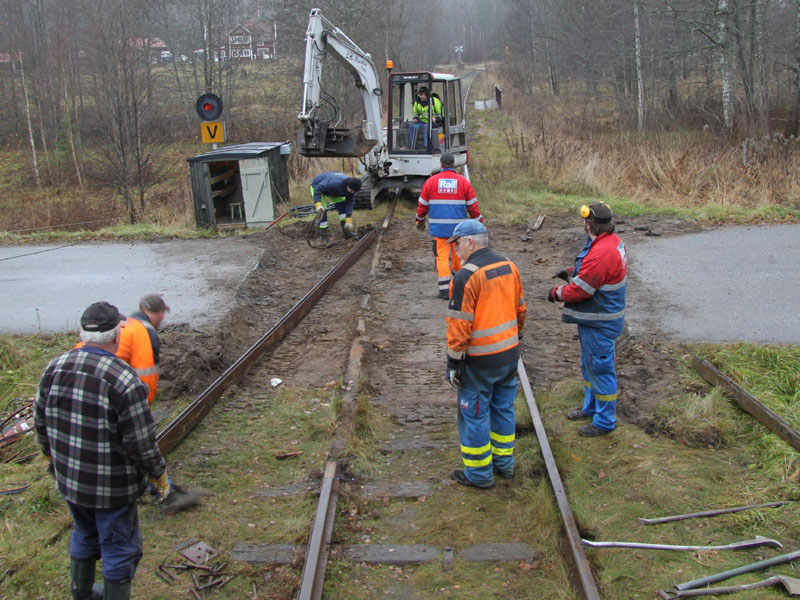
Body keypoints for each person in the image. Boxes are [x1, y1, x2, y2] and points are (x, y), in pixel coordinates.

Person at [35, 301, 170, 600]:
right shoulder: (124, 380)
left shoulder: (54, 367)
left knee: (84, 532)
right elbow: (141, 442)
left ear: (82, 334)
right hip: (113, 488)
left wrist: (51, 457)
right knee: (119, 545)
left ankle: (81, 592)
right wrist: (158, 473)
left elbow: (40, 421)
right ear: (117, 335)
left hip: (70, 481)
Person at [445, 219, 526, 489]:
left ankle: (479, 475)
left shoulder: (466, 276)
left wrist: (453, 363)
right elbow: (521, 309)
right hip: (508, 355)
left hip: (479, 363)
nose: (455, 251)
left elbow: (459, 325)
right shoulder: (509, 266)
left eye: (457, 245)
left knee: (475, 415)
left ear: (470, 242)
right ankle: (505, 465)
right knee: (503, 408)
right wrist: (516, 341)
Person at [547, 202, 628, 437]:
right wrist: (572, 272)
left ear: (589, 225)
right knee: (590, 366)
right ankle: (591, 407)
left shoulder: (603, 252)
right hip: (598, 319)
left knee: (601, 372)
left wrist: (556, 293)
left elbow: (581, 290)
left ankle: (604, 422)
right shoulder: (609, 243)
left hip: (600, 321)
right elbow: (591, 270)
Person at [416, 153, 484, 299]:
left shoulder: (431, 182)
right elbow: (473, 206)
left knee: (441, 257)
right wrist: (479, 222)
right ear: (453, 165)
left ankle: (445, 290)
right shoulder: (463, 182)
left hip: (439, 231)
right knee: (459, 256)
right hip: (458, 231)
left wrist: (419, 220)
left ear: (441, 164)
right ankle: (462, 287)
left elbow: (422, 205)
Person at [117, 294, 170, 406]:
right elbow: (146, 374)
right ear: (160, 314)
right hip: (118, 384)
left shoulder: (125, 324)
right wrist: (144, 406)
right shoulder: (147, 332)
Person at [310, 172, 362, 245]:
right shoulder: (334, 183)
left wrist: (348, 217)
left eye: (354, 191)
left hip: (333, 191)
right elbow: (318, 188)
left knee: (342, 209)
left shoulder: (351, 188)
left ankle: (347, 233)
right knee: (322, 212)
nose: (352, 192)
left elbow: (350, 202)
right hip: (317, 187)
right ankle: (324, 236)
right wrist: (318, 203)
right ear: (348, 185)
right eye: (351, 190)